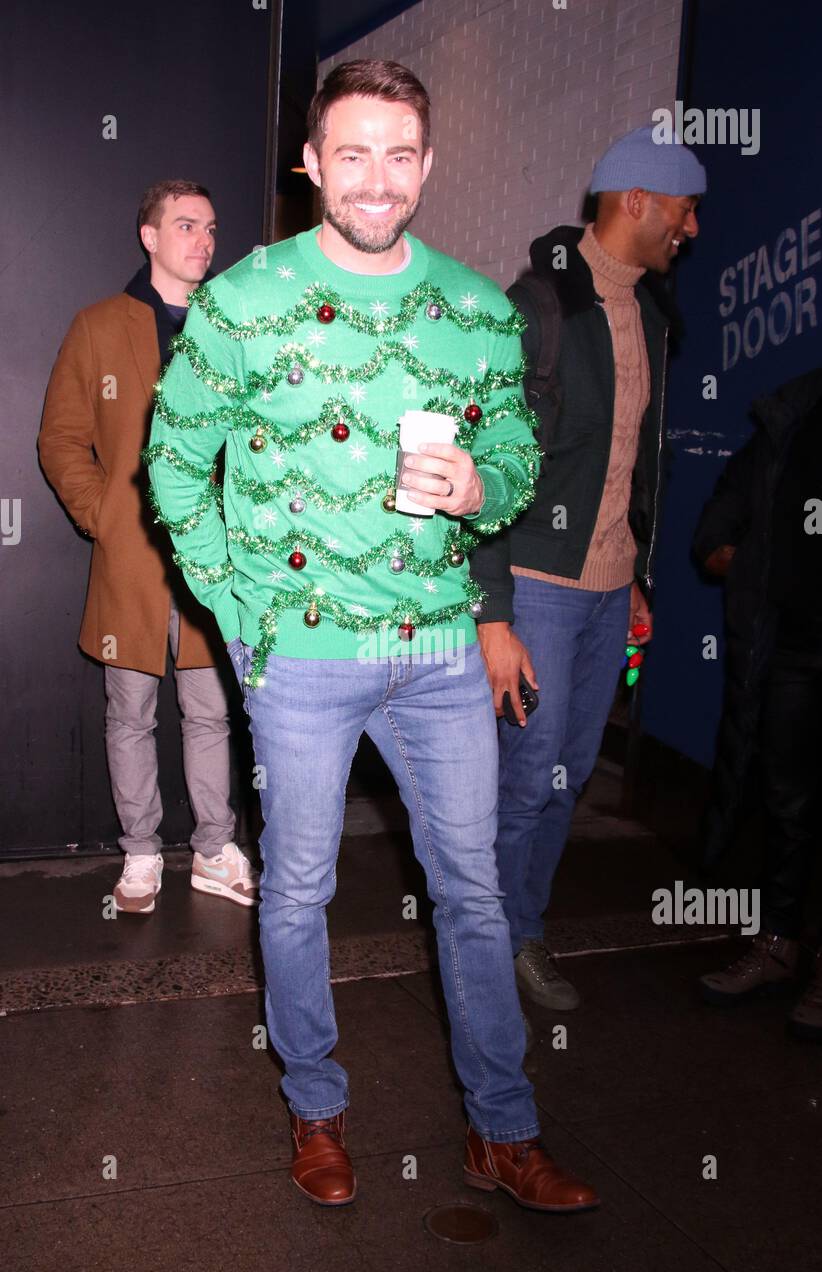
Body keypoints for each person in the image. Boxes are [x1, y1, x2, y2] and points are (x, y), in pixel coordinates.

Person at [146, 60, 600, 1212]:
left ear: (428, 166)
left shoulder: (480, 314)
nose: (378, 180)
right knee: (297, 890)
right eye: (352, 153)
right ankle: (316, 1106)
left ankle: (503, 1128)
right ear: (310, 165)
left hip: (443, 648)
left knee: (474, 894)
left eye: (402, 154)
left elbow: (514, 465)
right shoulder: (243, 302)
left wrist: (475, 490)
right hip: (300, 653)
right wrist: (243, 619)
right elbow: (172, 466)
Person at [471, 126, 705, 1011]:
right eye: (685, 210)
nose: (691, 228)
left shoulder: (649, 312)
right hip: (536, 586)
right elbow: (487, 467)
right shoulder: (536, 308)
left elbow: (633, 463)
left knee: (567, 775)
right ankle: (486, 943)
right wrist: (493, 617)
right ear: (635, 201)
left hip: (608, 591)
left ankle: (522, 928)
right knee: (526, 777)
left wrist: (634, 569)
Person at [39, 181, 258, 914]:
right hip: (131, 556)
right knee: (129, 713)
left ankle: (213, 849)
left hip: (213, 560)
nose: (204, 240)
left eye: (211, 227)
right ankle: (139, 854)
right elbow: (61, 438)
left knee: (211, 711)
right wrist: (103, 513)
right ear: (149, 234)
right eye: (187, 225)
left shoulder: (233, 328)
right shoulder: (98, 324)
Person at [694, 368, 822, 1039]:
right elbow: (716, 531)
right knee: (789, 804)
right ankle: (778, 947)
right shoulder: (793, 415)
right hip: (797, 648)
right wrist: (740, 557)